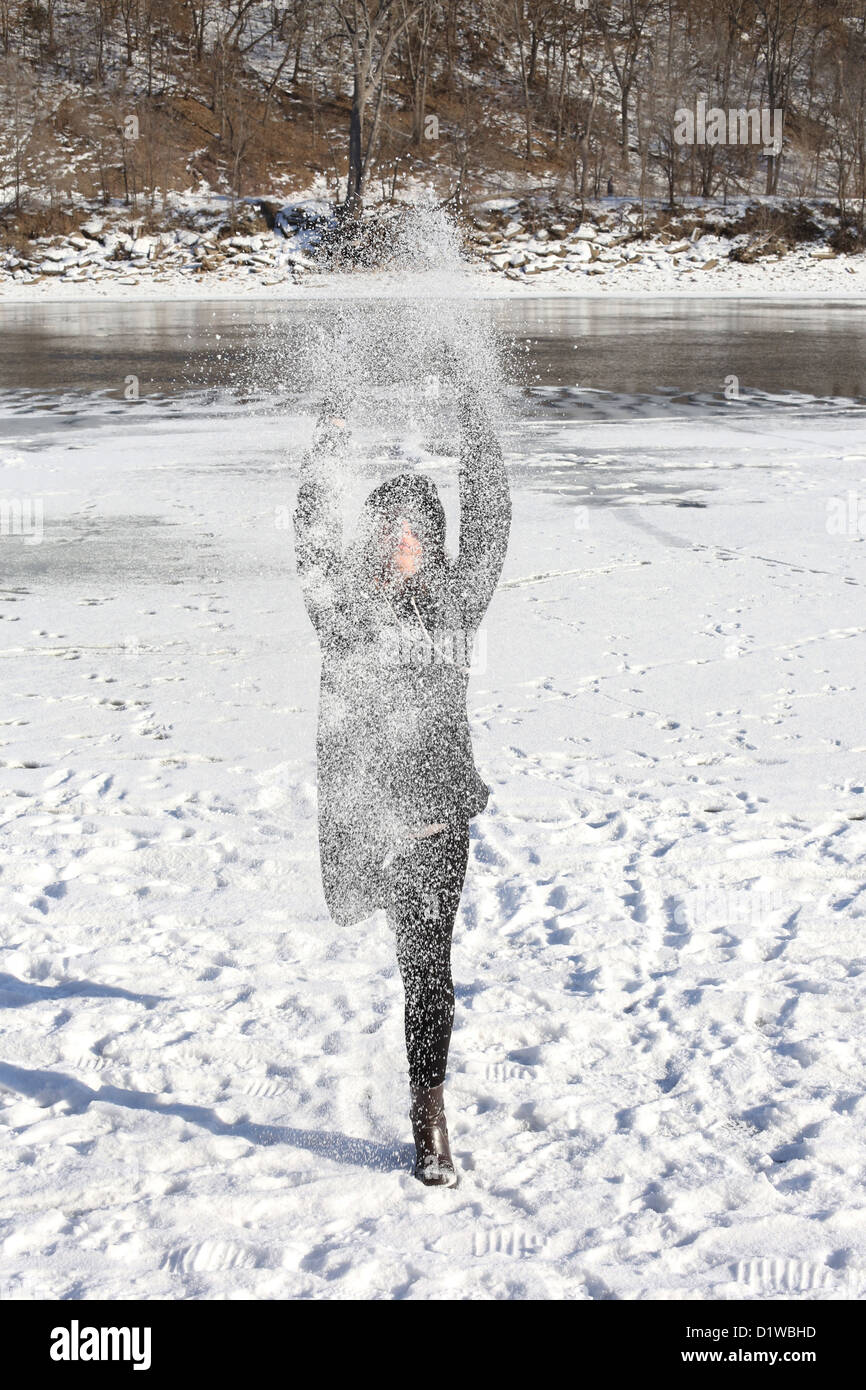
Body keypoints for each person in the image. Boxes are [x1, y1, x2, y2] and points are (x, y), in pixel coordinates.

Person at [293, 375, 511, 1186]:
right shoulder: (343, 614)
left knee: (426, 972)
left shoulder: (454, 611)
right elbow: (311, 536)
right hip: (363, 827)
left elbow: (491, 526)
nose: (398, 542)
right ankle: (359, 888)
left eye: (414, 530)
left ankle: (430, 1119)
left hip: (431, 830)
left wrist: (477, 423)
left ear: (431, 540)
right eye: (386, 527)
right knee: (355, 912)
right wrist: (333, 434)